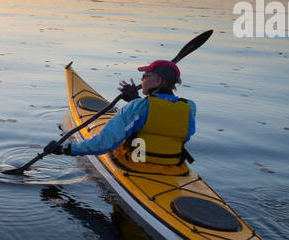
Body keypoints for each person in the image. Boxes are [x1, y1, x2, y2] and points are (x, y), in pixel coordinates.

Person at [45, 60, 196, 167]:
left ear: (158, 82)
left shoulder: (139, 106)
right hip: (172, 163)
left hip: (135, 163)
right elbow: (166, 125)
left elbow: (104, 143)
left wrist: (65, 149)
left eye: (145, 76)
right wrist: (135, 101)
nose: (141, 79)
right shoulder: (189, 107)